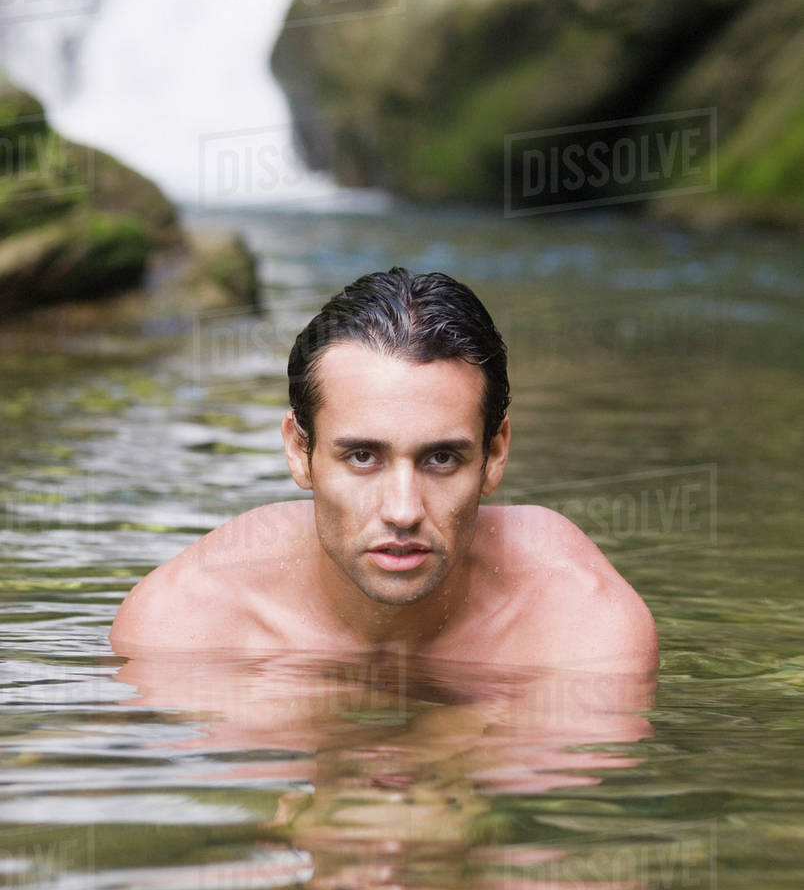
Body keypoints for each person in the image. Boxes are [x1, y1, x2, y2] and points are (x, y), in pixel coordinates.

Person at [110, 267, 658, 674]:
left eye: (442, 458)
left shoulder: (578, 620)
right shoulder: (188, 623)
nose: (403, 511)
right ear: (300, 452)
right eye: (362, 457)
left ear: (494, 456)